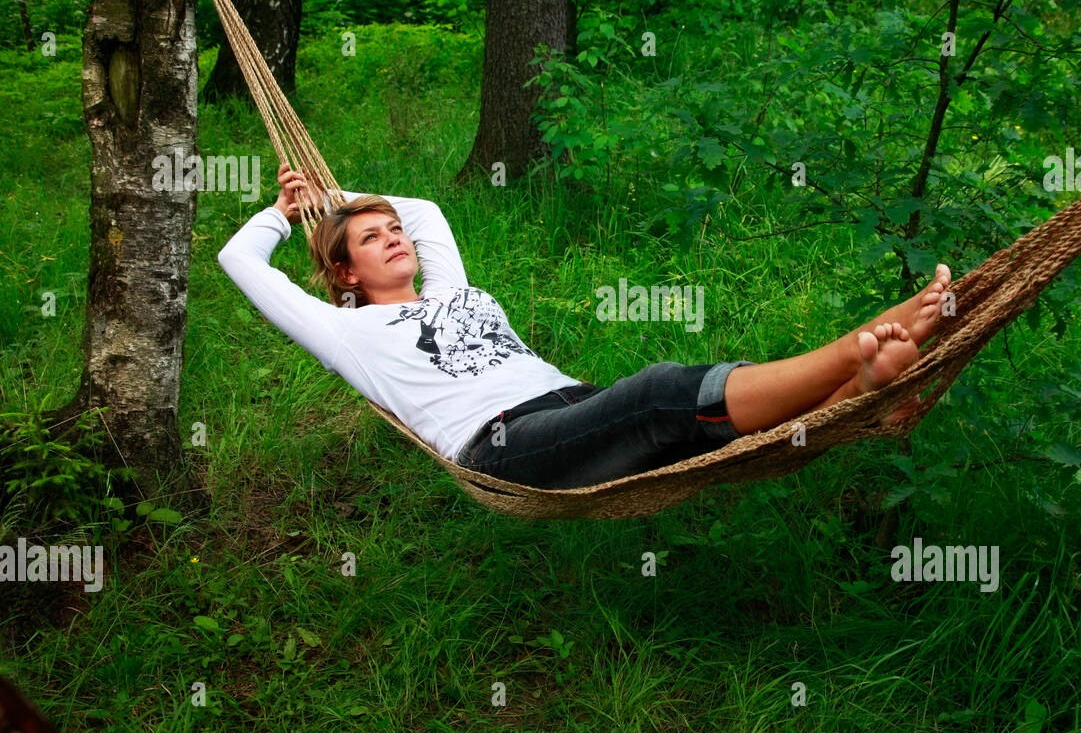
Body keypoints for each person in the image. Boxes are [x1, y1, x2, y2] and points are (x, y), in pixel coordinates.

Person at [217, 163, 951, 490]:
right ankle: (853, 353)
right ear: (346, 275)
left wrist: (337, 195)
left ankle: (856, 392)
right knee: (662, 395)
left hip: (573, 405)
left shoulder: (452, 287)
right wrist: (288, 214)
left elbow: (430, 214)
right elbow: (239, 259)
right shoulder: (347, 332)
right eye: (373, 240)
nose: (396, 236)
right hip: (504, 445)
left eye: (391, 228)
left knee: (691, 431)